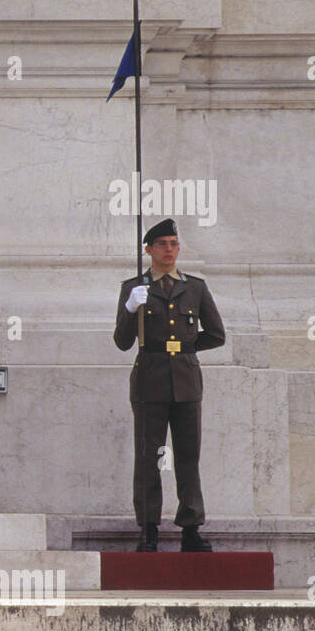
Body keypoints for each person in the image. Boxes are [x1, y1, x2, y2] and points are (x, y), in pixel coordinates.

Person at [114, 218, 225, 552]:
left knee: (188, 457)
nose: (169, 250)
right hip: (150, 378)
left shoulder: (195, 287)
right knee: (149, 458)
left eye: (174, 244)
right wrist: (130, 308)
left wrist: (185, 348)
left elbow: (217, 335)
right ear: (148, 250)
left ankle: (191, 528)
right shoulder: (134, 287)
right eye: (161, 244)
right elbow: (122, 341)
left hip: (187, 381)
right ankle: (149, 529)